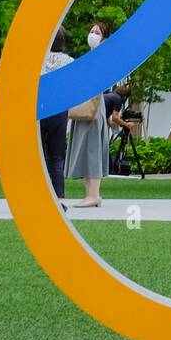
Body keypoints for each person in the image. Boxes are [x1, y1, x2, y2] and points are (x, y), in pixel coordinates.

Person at [66, 21, 112, 206]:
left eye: (97, 32)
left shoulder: (104, 57)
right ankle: (92, 195)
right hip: (86, 108)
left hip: (94, 107)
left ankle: (93, 195)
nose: (92, 35)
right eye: (91, 31)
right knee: (86, 149)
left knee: (92, 149)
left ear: (105, 38)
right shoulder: (91, 57)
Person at [40, 26, 75, 205]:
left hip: (40, 109)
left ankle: (41, 194)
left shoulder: (36, 61)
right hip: (59, 111)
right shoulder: (69, 62)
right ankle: (59, 196)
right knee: (57, 155)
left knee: (39, 154)